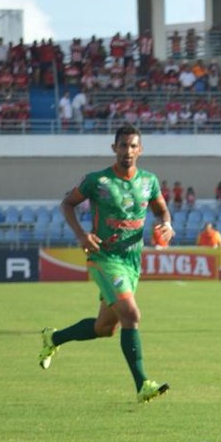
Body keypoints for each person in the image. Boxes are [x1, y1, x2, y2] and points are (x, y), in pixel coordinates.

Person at [37, 124, 174, 403]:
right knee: (131, 315)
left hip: (131, 261)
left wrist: (167, 224)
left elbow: (161, 210)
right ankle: (143, 385)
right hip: (104, 258)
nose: (128, 151)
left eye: (133, 146)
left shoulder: (149, 181)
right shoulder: (97, 181)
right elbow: (67, 204)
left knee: (105, 328)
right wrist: (81, 235)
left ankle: (53, 339)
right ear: (114, 148)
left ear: (140, 150)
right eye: (123, 145)